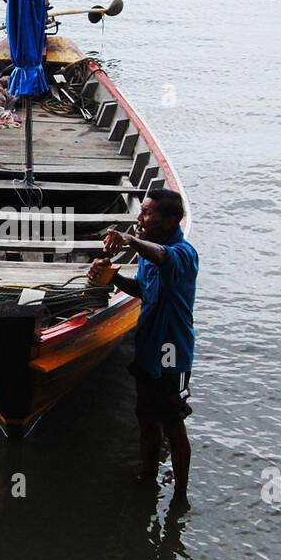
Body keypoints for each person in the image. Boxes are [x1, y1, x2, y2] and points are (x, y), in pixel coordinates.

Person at [89, 189, 198, 508]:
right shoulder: (148, 255)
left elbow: (164, 257)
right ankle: (147, 477)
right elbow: (144, 290)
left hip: (172, 353)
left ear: (171, 220)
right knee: (145, 418)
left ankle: (180, 495)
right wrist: (111, 277)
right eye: (142, 212)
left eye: (148, 214)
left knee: (173, 423)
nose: (140, 218)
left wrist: (129, 240)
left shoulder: (182, 253)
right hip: (149, 348)